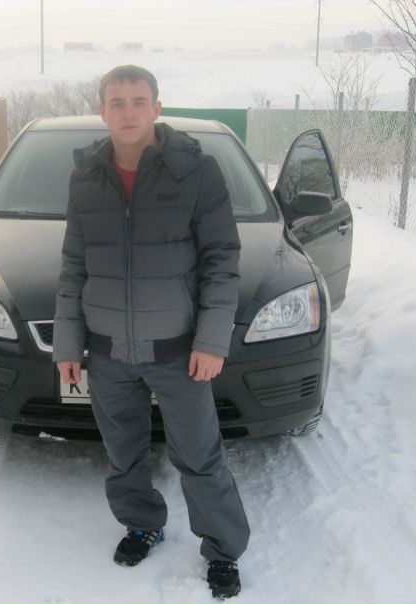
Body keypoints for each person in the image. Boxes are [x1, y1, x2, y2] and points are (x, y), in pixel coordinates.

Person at [52, 65, 250, 599]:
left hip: (179, 351)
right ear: (102, 111)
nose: (128, 112)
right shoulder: (86, 177)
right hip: (108, 351)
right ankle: (142, 524)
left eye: (138, 101)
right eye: (117, 102)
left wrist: (211, 340)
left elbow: (222, 259)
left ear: (156, 108)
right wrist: (68, 343)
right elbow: (74, 265)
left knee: (200, 457)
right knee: (123, 451)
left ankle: (223, 550)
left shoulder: (196, 171)